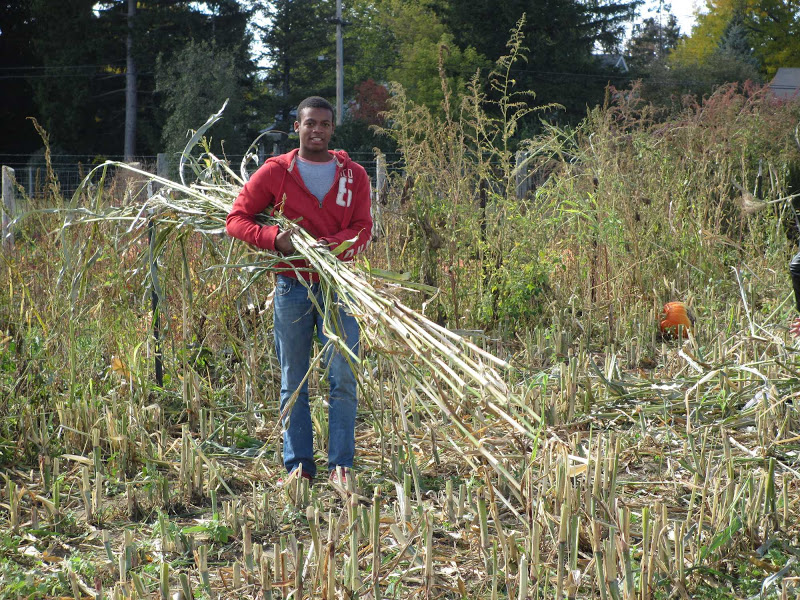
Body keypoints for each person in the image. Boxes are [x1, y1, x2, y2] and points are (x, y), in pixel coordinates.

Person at [226, 96, 372, 484]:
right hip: (292, 285)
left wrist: (335, 247)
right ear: (298, 127)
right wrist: (276, 239)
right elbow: (236, 219)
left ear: (332, 129)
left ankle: (341, 467)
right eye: (310, 123)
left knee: (342, 375)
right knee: (295, 379)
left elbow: (363, 227)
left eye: (324, 124)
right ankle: (299, 468)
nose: (317, 130)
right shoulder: (276, 171)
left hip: (339, 285)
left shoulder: (354, 175)